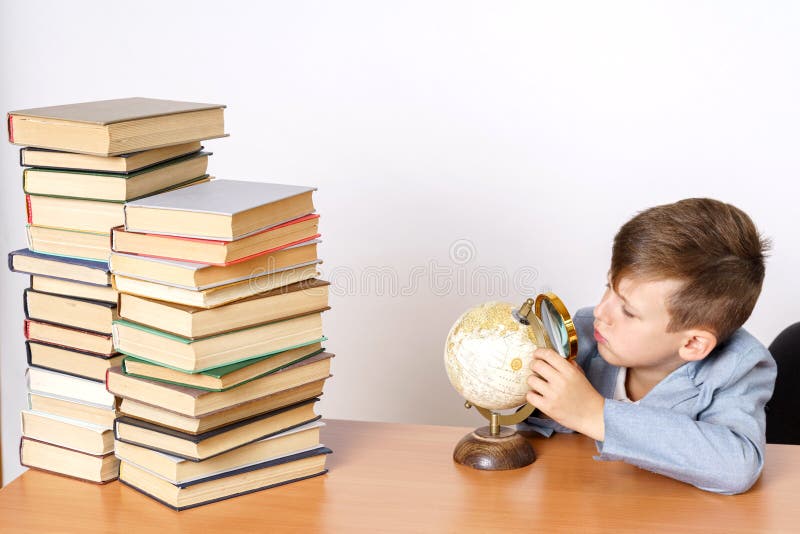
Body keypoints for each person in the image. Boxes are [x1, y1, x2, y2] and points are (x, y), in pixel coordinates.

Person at [520, 198, 776, 494]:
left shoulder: (739, 367)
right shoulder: (590, 331)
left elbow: (737, 466)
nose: (601, 311)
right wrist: (548, 408)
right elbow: (541, 431)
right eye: (609, 288)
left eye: (628, 311)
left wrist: (595, 414)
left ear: (693, 343)